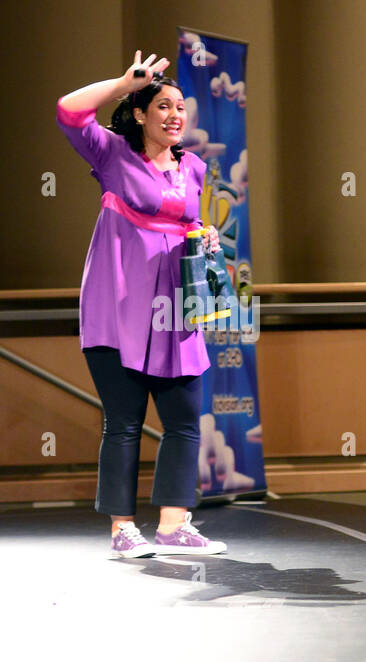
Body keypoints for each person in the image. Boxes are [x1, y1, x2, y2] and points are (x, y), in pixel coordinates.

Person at [57, 51, 227, 558]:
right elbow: (68, 109)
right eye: (163, 106)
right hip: (120, 304)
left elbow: (184, 222)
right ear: (139, 114)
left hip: (176, 308)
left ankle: (175, 525)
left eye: (181, 107)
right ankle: (122, 528)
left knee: (183, 419)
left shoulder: (193, 166)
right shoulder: (111, 154)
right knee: (125, 421)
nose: (176, 115)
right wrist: (123, 83)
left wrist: (206, 234)